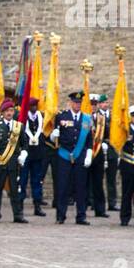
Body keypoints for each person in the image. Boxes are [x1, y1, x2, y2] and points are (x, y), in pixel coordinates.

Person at [50, 91, 92, 225]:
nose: (77, 105)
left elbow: (89, 140)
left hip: (80, 156)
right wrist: (53, 136)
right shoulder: (62, 116)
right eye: (75, 102)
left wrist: (89, 154)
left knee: (81, 187)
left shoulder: (87, 119)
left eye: (79, 103)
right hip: (64, 155)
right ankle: (60, 216)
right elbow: (55, 137)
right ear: (70, 103)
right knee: (62, 187)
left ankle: (81, 216)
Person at [0, 99, 28, 224]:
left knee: (15, 190)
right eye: (7, 111)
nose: (9, 113)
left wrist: (24, 154)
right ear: (2, 113)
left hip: (13, 163)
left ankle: (18, 215)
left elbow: (24, 143)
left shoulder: (18, 126)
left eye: (11, 111)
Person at [18, 98, 49, 217]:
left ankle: (37, 205)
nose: (34, 108)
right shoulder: (23, 117)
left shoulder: (41, 116)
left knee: (37, 181)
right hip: (26, 153)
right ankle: (20, 205)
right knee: (23, 180)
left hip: (38, 153)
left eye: (35, 106)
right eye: (31, 106)